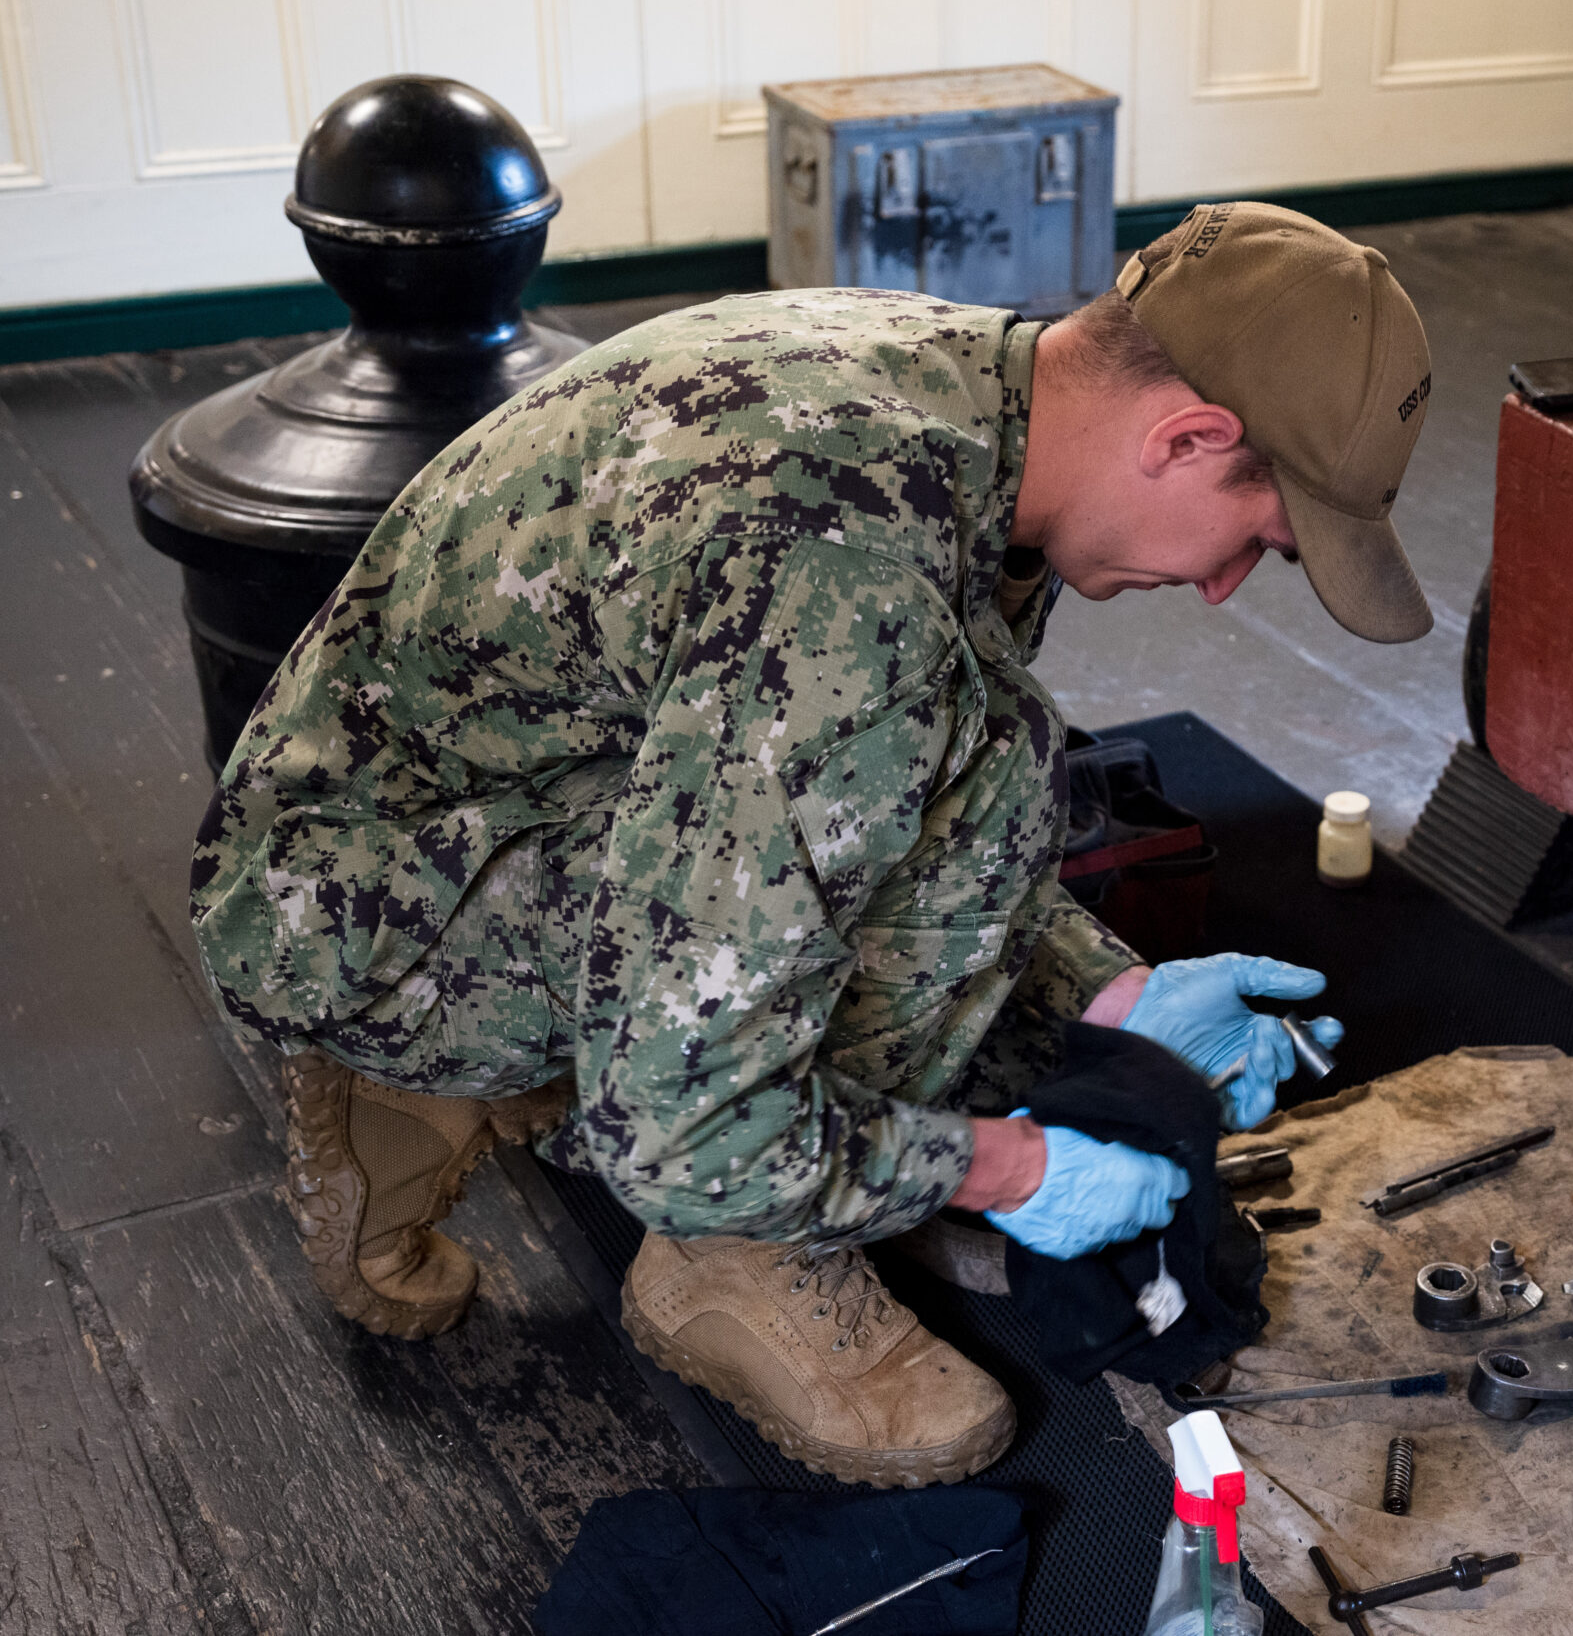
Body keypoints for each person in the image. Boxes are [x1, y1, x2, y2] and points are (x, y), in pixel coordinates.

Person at [190, 202, 1434, 1487]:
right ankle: (731, 1256)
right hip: (354, 916)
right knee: (963, 784)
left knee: (967, 753)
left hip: (480, 807)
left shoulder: (978, 400)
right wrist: (1006, 1168)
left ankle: (670, 1115)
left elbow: (883, 810)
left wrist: (1109, 992)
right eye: (1259, 541)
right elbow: (680, 1124)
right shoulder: (847, 573)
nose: (1226, 586)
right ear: (1185, 438)